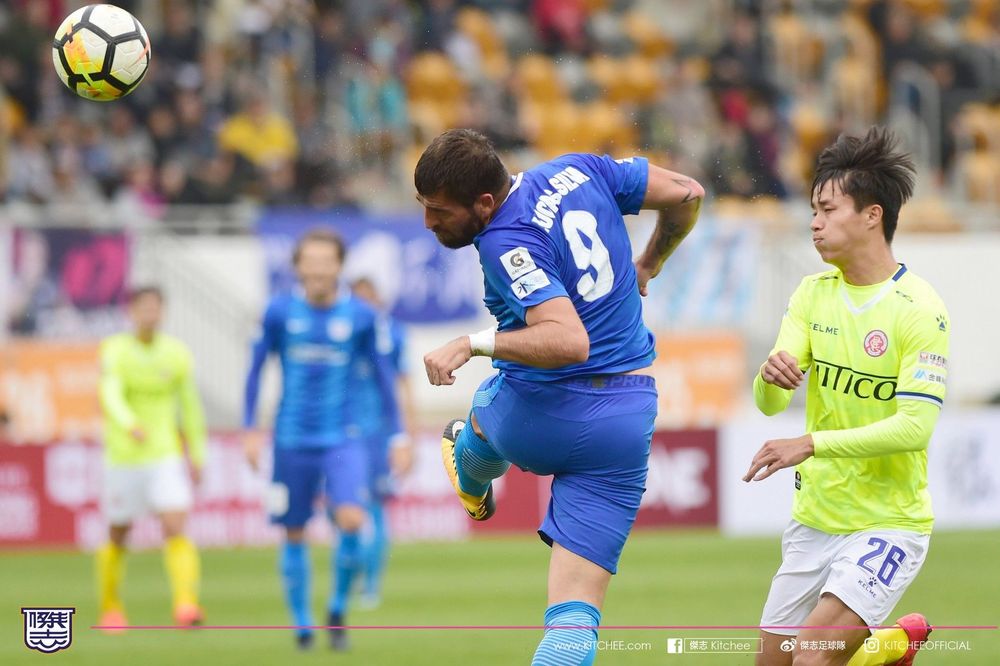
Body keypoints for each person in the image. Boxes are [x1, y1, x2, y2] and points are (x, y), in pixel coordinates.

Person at [415, 129, 704, 665]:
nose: (429, 221)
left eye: (439, 211)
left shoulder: (505, 241)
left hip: (539, 415)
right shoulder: (580, 169)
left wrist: (470, 343)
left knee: (485, 403)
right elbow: (688, 193)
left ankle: (472, 477)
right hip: (624, 420)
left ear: (484, 203)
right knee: (574, 617)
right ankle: (474, 473)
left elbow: (570, 341)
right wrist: (652, 261)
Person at [744, 127, 947, 666]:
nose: (815, 222)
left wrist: (811, 444)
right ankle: (887, 650)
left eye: (828, 210)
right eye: (814, 210)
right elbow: (768, 402)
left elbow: (915, 428)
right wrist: (769, 377)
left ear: (872, 215)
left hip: (889, 523)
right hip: (814, 518)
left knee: (812, 657)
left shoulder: (918, 309)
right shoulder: (812, 295)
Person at [242, 228, 400, 651]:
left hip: (343, 438)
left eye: (325, 261)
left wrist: (399, 436)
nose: (317, 269)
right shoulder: (278, 312)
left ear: (339, 266)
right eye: (309, 261)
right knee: (293, 530)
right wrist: (250, 429)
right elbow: (254, 371)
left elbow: (385, 377)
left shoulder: (361, 316)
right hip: (291, 439)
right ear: (297, 266)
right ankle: (302, 624)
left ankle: (336, 609)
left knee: (351, 519)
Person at [96, 286, 207, 631]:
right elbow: (109, 394)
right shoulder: (115, 350)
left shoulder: (175, 354)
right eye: (143, 308)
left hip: (164, 454)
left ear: (162, 313)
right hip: (124, 456)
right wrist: (129, 424)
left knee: (175, 523)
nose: (149, 315)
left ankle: (186, 604)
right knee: (119, 532)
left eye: (155, 309)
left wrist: (197, 452)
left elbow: (190, 406)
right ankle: (111, 606)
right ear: (131, 312)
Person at [348, 276, 416, 608]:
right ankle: (354, 575)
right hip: (344, 432)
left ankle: (370, 585)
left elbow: (403, 386)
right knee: (344, 508)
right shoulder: (342, 332)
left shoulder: (392, 335)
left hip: (379, 434)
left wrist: (407, 436)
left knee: (375, 508)